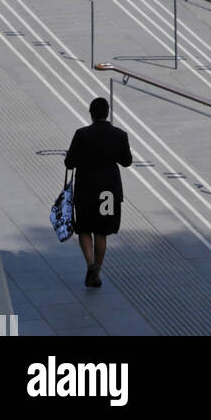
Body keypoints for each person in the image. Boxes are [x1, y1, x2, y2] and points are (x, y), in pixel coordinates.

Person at [64, 96, 133, 288]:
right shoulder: (120, 135)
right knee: (102, 231)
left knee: (84, 228)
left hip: (85, 189)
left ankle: (90, 265)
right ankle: (98, 271)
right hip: (108, 192)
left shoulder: (82, 134)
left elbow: (69, 163)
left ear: (91, 114)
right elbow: (127, 161)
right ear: (107, 113)